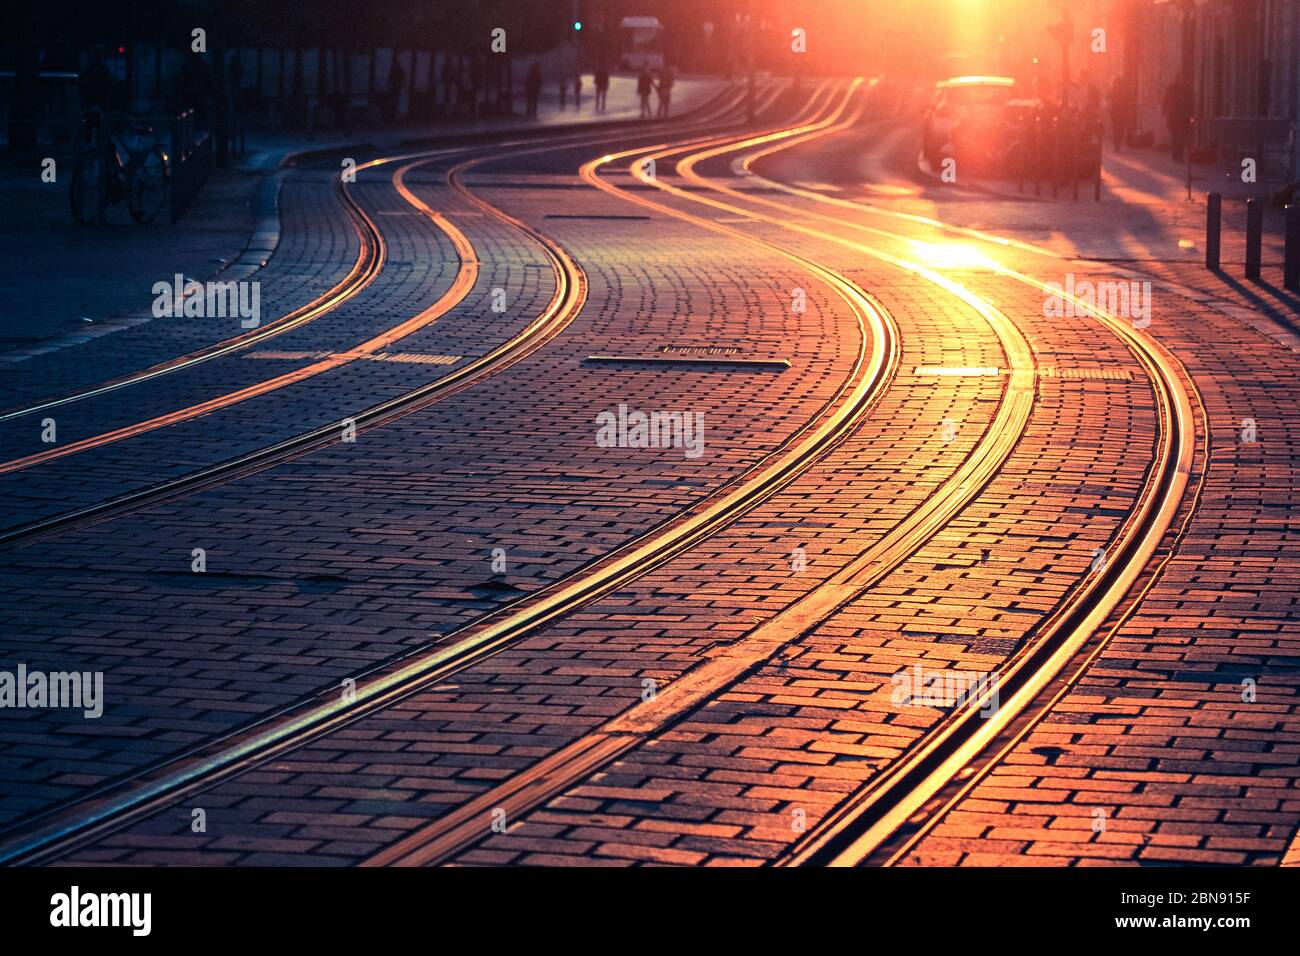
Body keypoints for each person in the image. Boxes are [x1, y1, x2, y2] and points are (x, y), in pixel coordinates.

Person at [1162, 72, 1192, 161]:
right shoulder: (1172, 87)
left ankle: (1180, 154)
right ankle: (1176, 153)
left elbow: (1189, 102)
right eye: (1180, 77)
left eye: (1183, 78)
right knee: (1175, 135)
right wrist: (1164, 109)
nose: (1181, 79)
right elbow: (1166, 98)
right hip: (1173, 115)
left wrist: (1190, 113)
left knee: (1181, 136)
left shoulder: (1186, 89)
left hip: (1183, 116)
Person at [1107, 73, 1134, 152]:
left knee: (1116, 128)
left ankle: (1116, 142)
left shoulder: (1113, 90)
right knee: (1120, 129)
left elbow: (1107, 97)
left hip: (1115, 113)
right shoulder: (1125, 90)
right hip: (1121, 113)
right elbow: (1129, 100)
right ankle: (1117, 142)